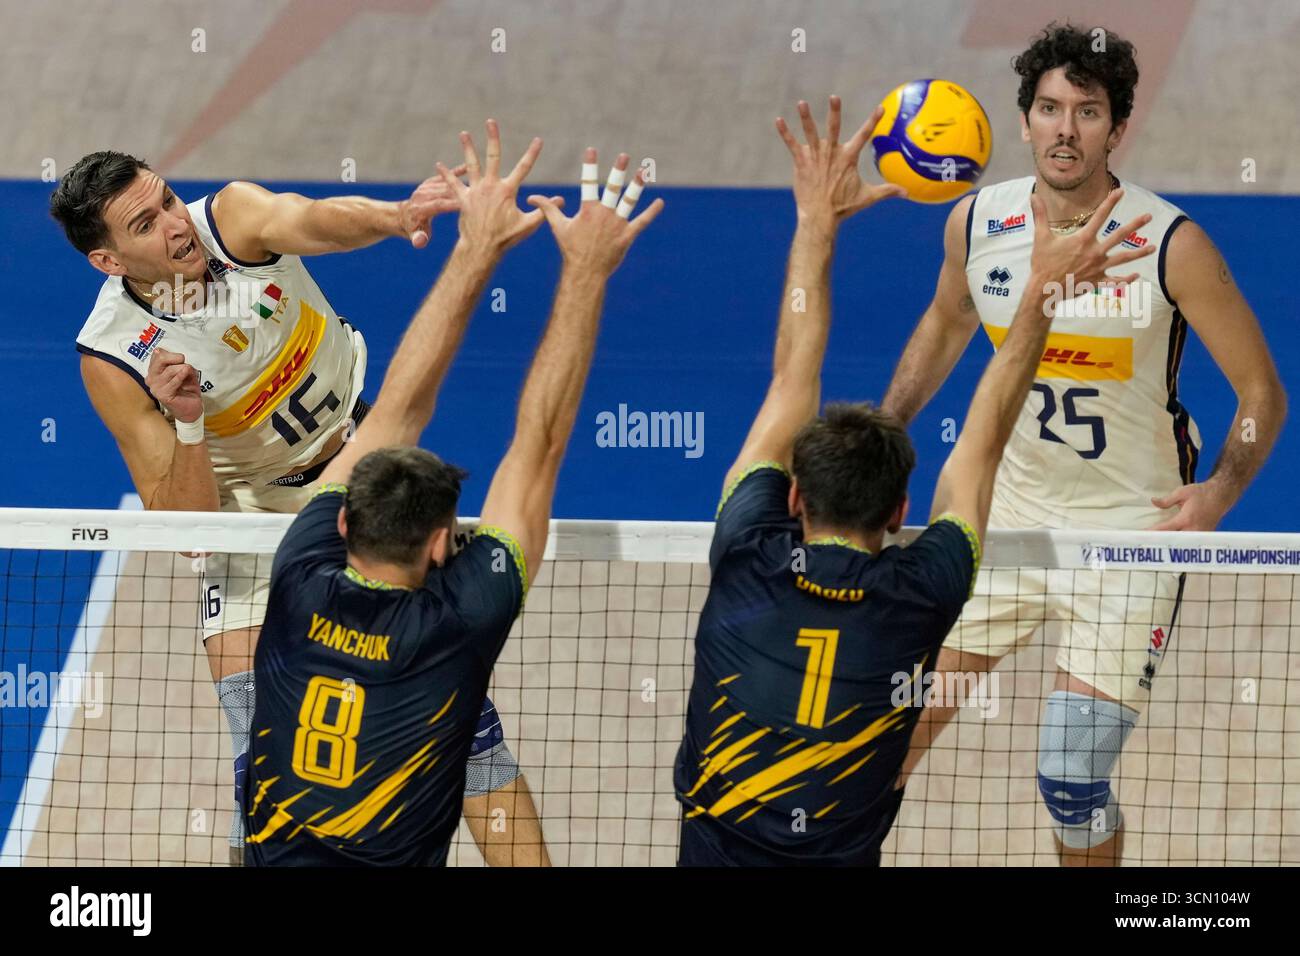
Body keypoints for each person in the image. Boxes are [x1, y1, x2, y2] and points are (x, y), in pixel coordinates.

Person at [672, 96, 1151, 866]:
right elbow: (985, 439)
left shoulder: (743, 553)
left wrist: (815, 225)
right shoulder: (922, 592)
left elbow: (793, 373)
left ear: (792, 497)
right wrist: (1042, 295)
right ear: (901, 514)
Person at [51, 146, 545, 863]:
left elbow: (314, 219)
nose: (174, 224)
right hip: (253, 523)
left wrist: (396, 214)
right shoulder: (115, 358)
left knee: (459, 727)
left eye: (165, 199)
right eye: (145, 223)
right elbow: (188, 534)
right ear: (110, 260)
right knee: (262, 760)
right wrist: (187, 418)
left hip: (360, 479)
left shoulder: (230, 218)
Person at [882, 23, 1287, 864]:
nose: (1066, 129)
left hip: (1126, 543)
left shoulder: (1171, 244)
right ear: (1025, 119)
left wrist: (1218, 493)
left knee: (1071, 776)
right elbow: (947, 321)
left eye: (1089, 111)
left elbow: (1262, 394)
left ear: (1116, 126)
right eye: (1050, 108)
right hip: (1005, 527)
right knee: (882, 738)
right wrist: (886, 437)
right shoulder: (977, 222)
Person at [244, 125, 662, 865]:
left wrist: (475, 246)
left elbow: (399, 408)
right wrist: (587, 272)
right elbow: (539, 446)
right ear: (444, 543)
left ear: (342, 521)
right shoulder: (463, 617)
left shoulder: (300, 571)